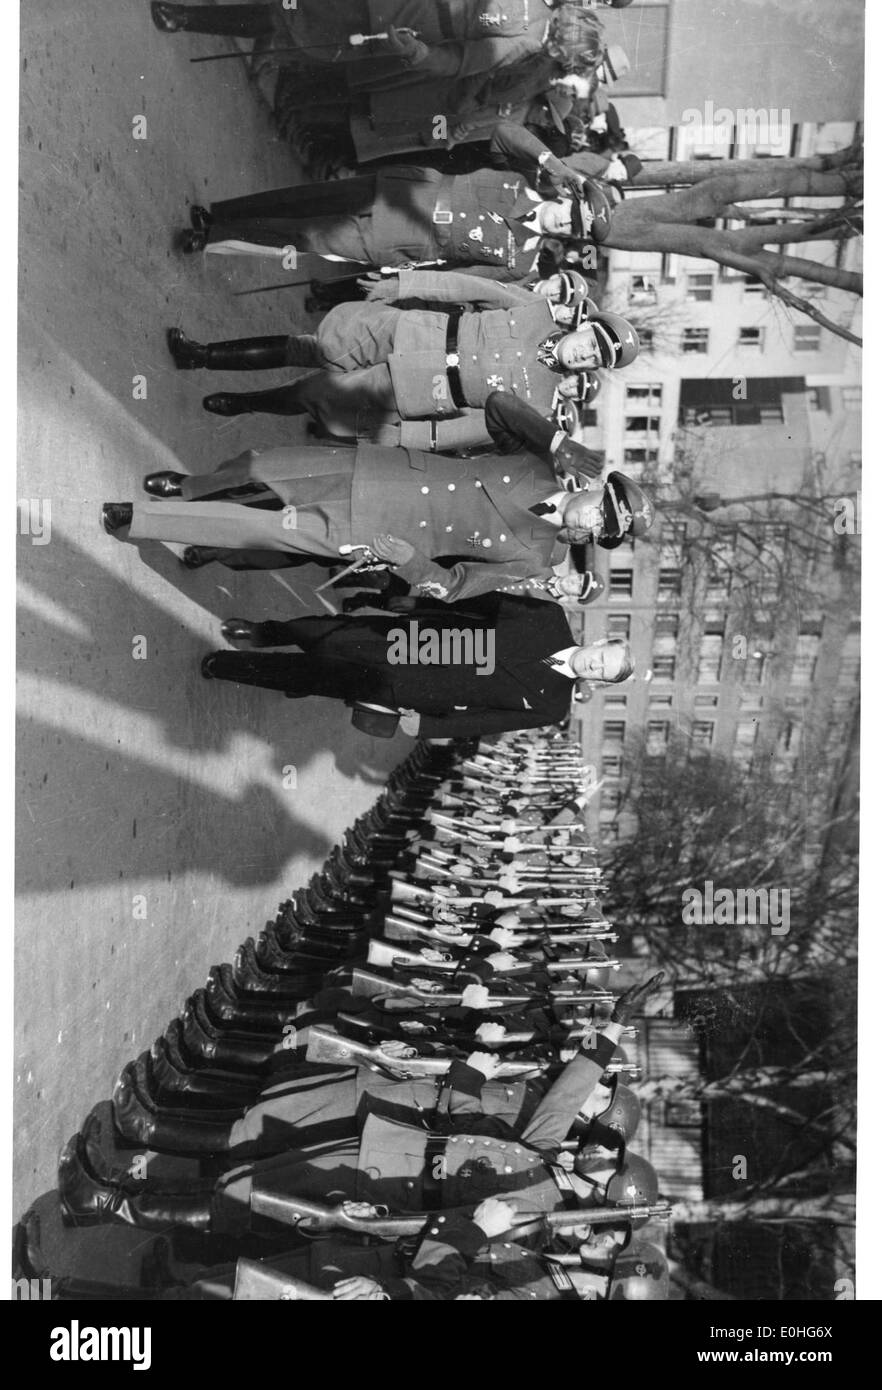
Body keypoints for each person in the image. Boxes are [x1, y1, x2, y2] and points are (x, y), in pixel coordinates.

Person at [59, 973, 662, 1234]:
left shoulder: (539, 1208)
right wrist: (611, 1031)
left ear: (602, 1193)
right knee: (253, 1162)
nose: (597, 1151)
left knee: (245, 1195)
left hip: (380, 1186)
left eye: (607, 1164)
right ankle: (130, 1168)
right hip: (388, 1142)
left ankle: (109, 1204)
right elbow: (564, 1096)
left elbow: (452, 1228)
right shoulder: (547, 1158)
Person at [101, 391, 655, 604]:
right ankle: (192, 486)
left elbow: (455, 587)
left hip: (377, 534)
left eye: (602, 533)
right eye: (600, 513)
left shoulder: (536, 558)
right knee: (258, 466)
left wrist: (410, 563)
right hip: (374, 471)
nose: (591, 527)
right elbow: (498, 406)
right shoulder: (538, 463)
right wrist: (556, 439)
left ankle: (141, 519)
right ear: (594, 490)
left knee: (259, 528)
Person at [164, 269, 640, 430]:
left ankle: (245, 404)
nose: (585, 355)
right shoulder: (534, 310)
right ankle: (201, 356)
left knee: (316, 393)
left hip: (417, 386)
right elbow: (467, 287)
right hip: (412, 331)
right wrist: (403, 284)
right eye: (591, 343)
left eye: (595, 359)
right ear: (585, 327)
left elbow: (474, 423)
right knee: (316, 347)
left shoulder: (541, 400)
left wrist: (411, 431)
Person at [177, 121, 615, 267]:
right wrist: (553, 164)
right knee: (306, 200)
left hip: (405, 240)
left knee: (307, 237)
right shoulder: (522, 178)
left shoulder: (521, 257)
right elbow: (504, 132)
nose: (565, 221)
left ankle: (212, 239)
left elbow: (460, 278)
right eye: (572, 212)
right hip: (403, 190)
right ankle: (220, 214)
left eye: (572, 229)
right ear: (567, 197)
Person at [196, 594, 633, 738]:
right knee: (322, 633)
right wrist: (420, 601)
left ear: (599, 681)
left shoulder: (551, 706)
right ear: (598, 641)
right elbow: (482, 601)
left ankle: (229, 666)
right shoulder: (549, 618)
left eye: (602, 671)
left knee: (318, 676)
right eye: (602, 656)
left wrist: (427, 727)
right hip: (418, 641)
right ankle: (267, 632)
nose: (594, 664)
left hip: (409, 688)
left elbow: (485, 722)